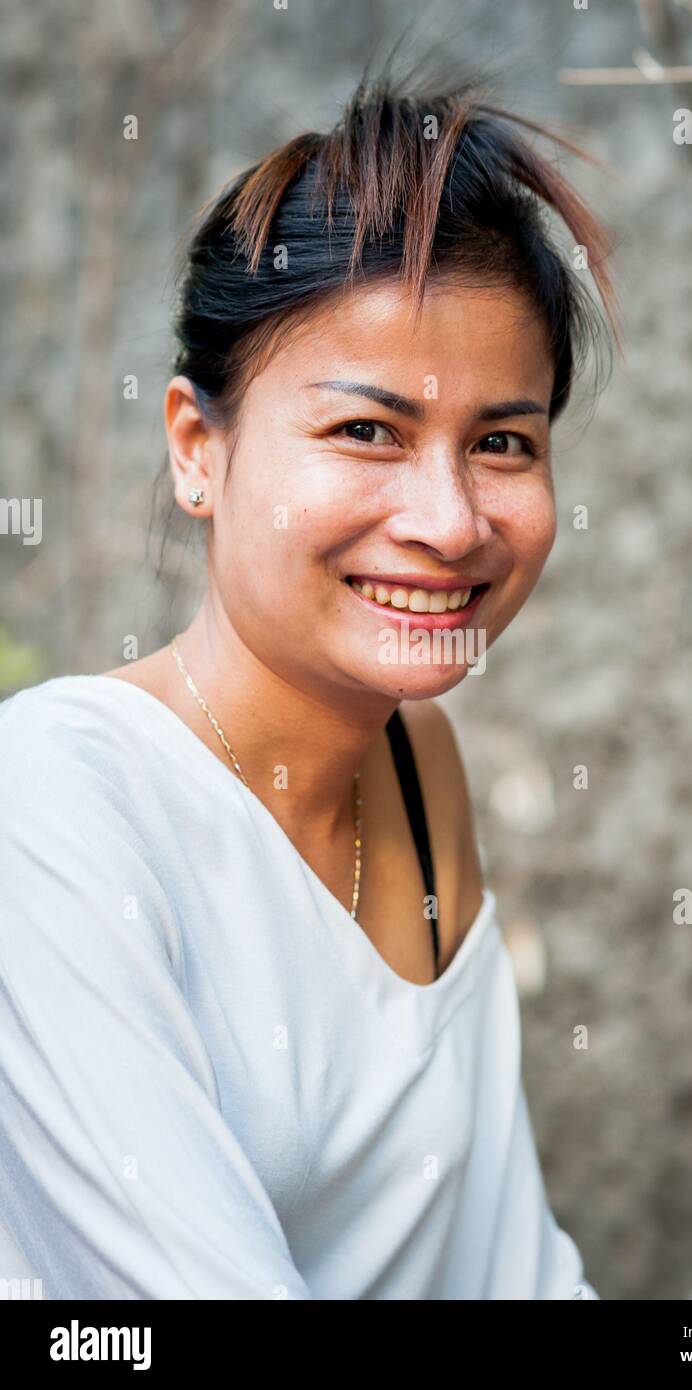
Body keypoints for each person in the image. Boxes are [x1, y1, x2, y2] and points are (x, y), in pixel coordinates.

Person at [0, 66, 616, 1300]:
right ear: (197, 448)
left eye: (502, 442)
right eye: (366, 431)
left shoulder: (413, 760)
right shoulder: (52, 807)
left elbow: (504, 1271)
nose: (449, 521)